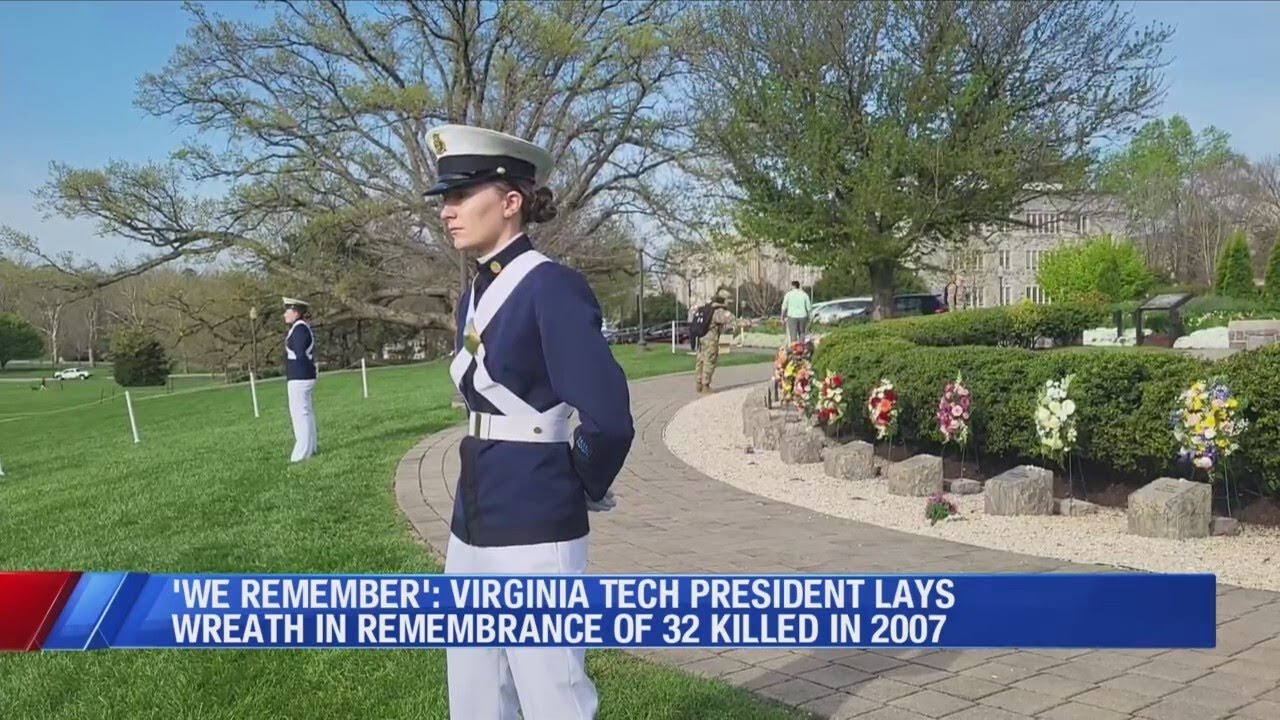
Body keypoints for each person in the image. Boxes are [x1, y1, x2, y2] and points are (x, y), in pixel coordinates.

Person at [425, 123, 635, 720]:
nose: (447, 211)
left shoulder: (553, 288)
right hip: (474, 510)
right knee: (474, 691)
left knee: (552, 695)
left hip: (537, 512)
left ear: (511, 201)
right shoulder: (473, 293)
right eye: (445, 198)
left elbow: (610, 420)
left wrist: (581, 483)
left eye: (461, 195)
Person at [282, 297, 317, 462]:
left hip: (299, 377)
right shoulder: (299, 328)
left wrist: (306, 370)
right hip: (302, 376)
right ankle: (310, 448)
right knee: (306, 413)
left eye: (287, 310)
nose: (284, 314)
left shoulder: (299, 330)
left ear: (295, 312)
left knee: (300, 414)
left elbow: (301, 354)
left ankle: (301, 453)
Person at [695, 288, 736, 394]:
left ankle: (699, 383)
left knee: (700, 361)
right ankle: (706, 386)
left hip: (701, 338)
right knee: (710, 361)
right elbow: (732, 320)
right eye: (728, 301)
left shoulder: (707, 308)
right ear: (724, 300)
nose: (729, 304)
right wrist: (748, 322)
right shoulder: (719, 311)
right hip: (711, 340)